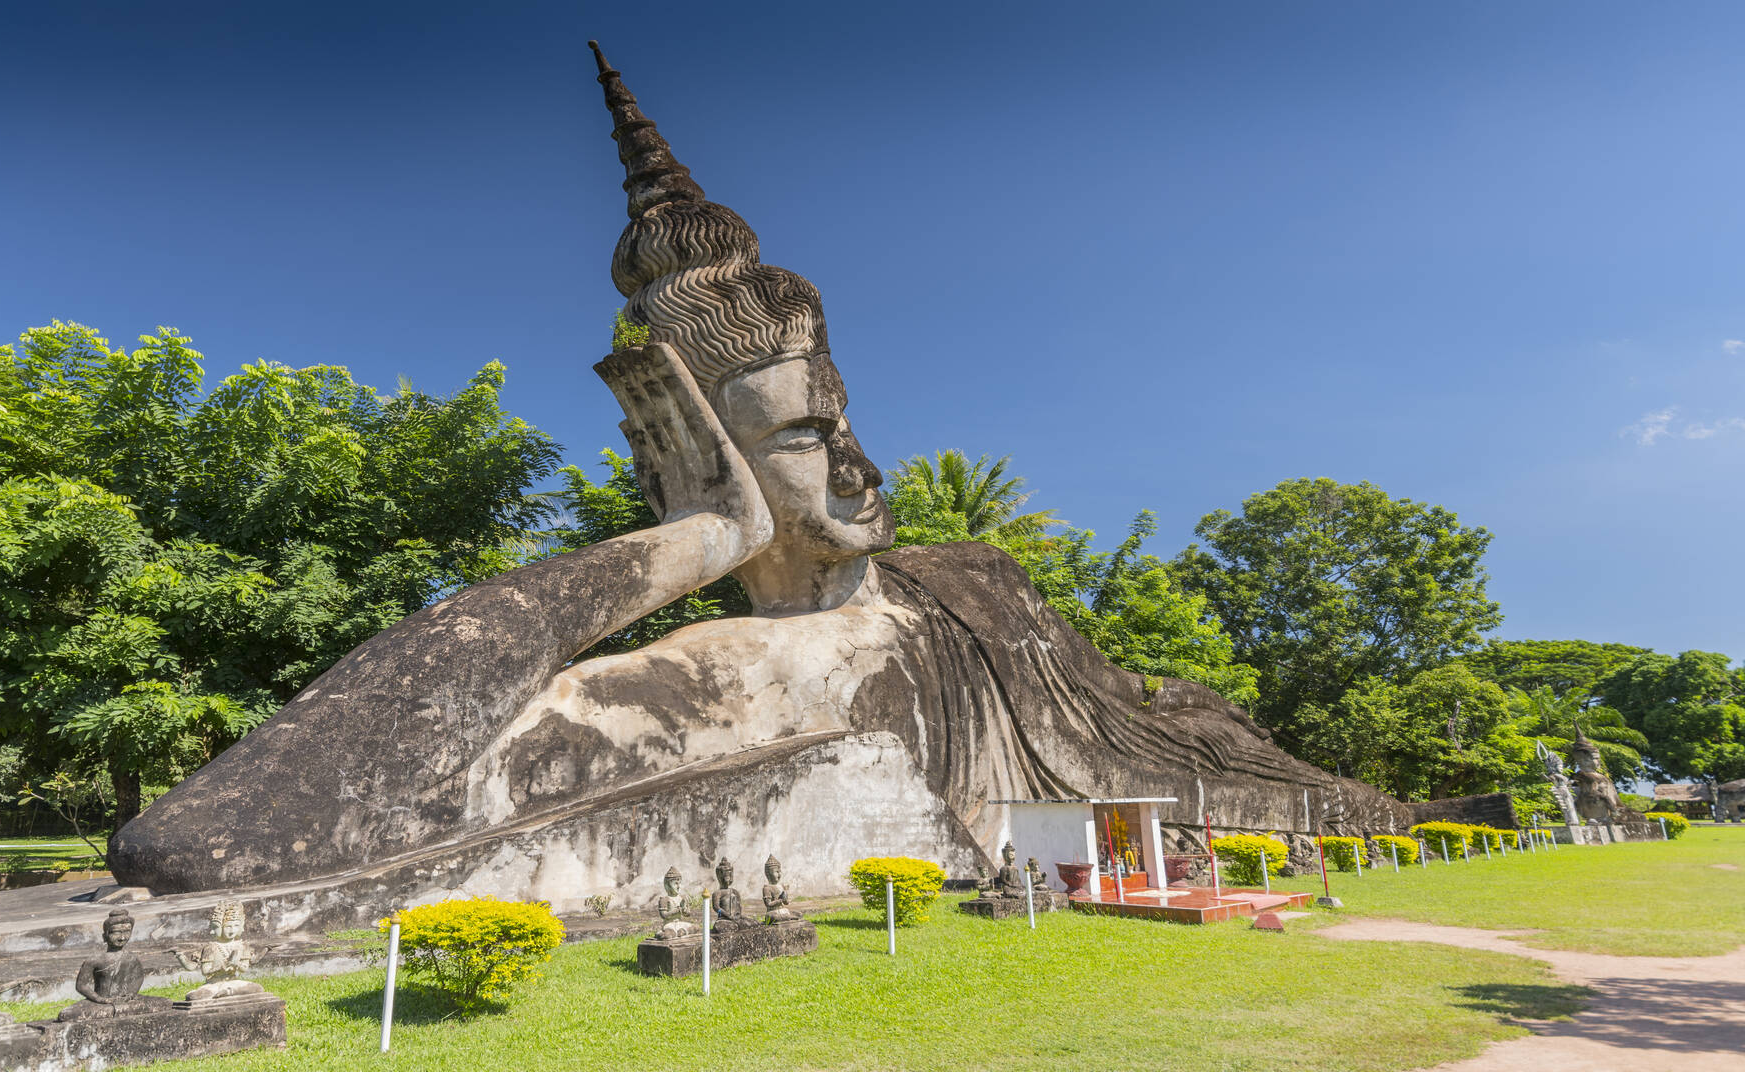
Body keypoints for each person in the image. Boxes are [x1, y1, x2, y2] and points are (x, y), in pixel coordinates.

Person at [108, 43, 1407, 899]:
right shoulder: (716, 680)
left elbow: (1154, 728)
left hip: (1173, 787)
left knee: (1217, 724)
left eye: (836, 416)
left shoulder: (972, 581)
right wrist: (695, 533)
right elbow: (218, 838)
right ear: (704, 447)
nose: (851, 459)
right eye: (795, 439)